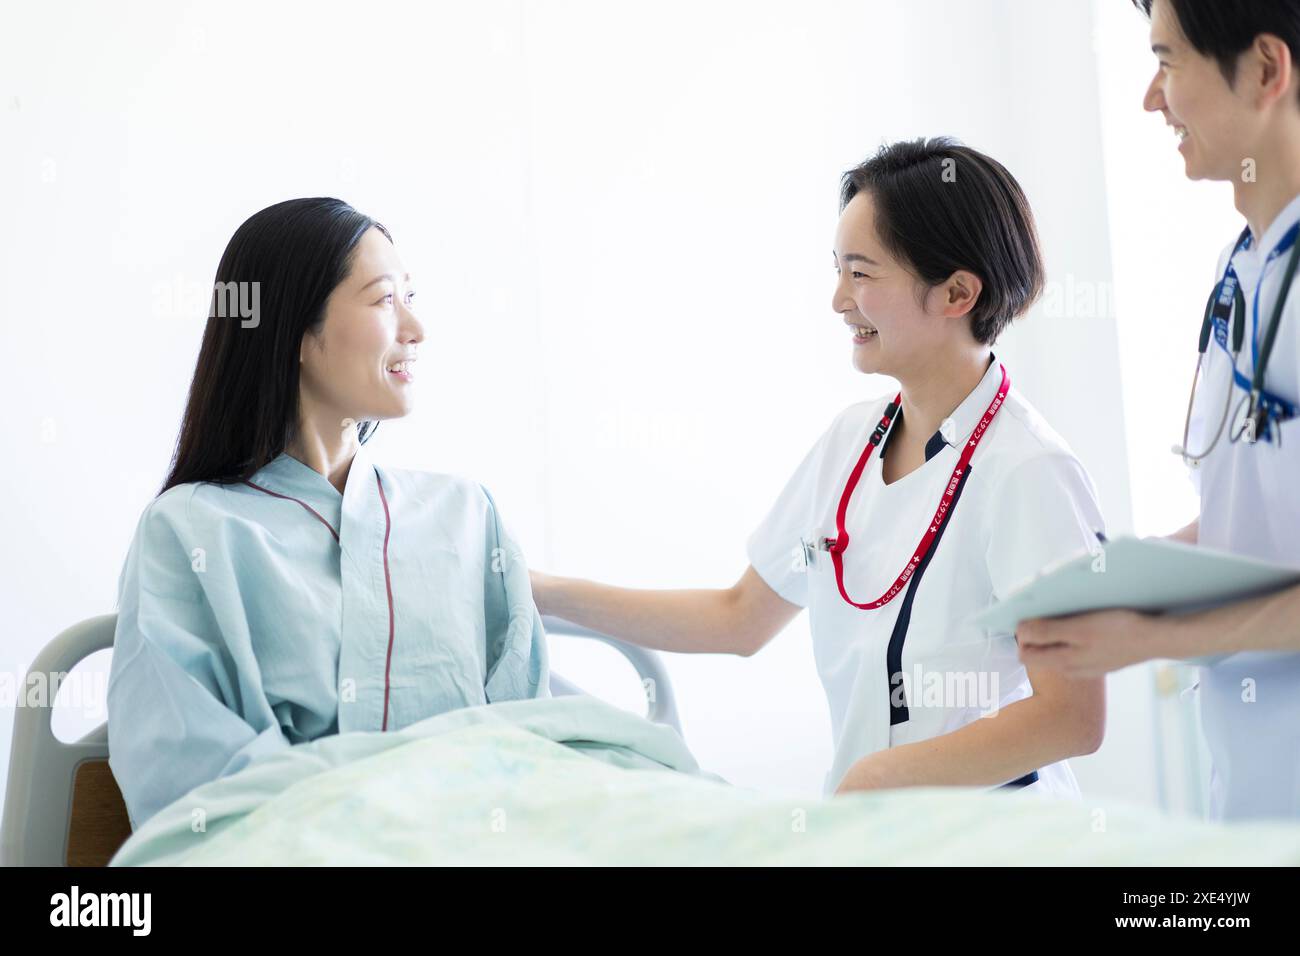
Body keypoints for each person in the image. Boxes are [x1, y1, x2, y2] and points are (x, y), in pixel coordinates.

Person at [532, 138, 1107, 798]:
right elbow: (738, 617)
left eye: (861, 274)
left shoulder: (1030, 472)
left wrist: (881, 776)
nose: (838, 300)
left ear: (956, 292)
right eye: (838, 270)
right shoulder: (850, 443)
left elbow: (1072, 716)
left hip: (998, 840)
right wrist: (545, 592)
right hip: (878, 830)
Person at [106, 198, 548, 830]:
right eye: (384, 299)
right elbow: (191, 782)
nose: (416, 327)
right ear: (298, 333)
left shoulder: (468, 514)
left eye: (411, 295)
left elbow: (530, 743)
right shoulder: (189, 531)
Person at [1019, 0, 1300, 821]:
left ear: (1266, 70)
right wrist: (1118, 575)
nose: (1151, 98)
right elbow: (1258, 522)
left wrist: (1152, 639)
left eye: (1168, 62)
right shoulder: (1240, 270)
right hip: (1254, 794)